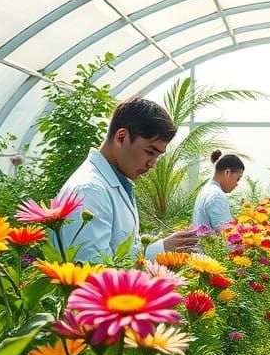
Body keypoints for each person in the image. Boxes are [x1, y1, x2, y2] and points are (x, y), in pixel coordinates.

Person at [58, 98, 199, 262]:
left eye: (158, 156)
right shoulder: (89, 191)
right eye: (150, 151)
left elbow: (118, 254)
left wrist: (162, 248)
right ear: (121, 137)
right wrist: (158, 252)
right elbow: (93, 273)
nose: (152, 164)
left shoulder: (115, 183)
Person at [192, 150, 244, 230]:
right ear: (227, 173)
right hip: (210, 242)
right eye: (238, 178)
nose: (237, 184)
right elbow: (227, 234)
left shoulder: (207, 190)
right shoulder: (216, 196)